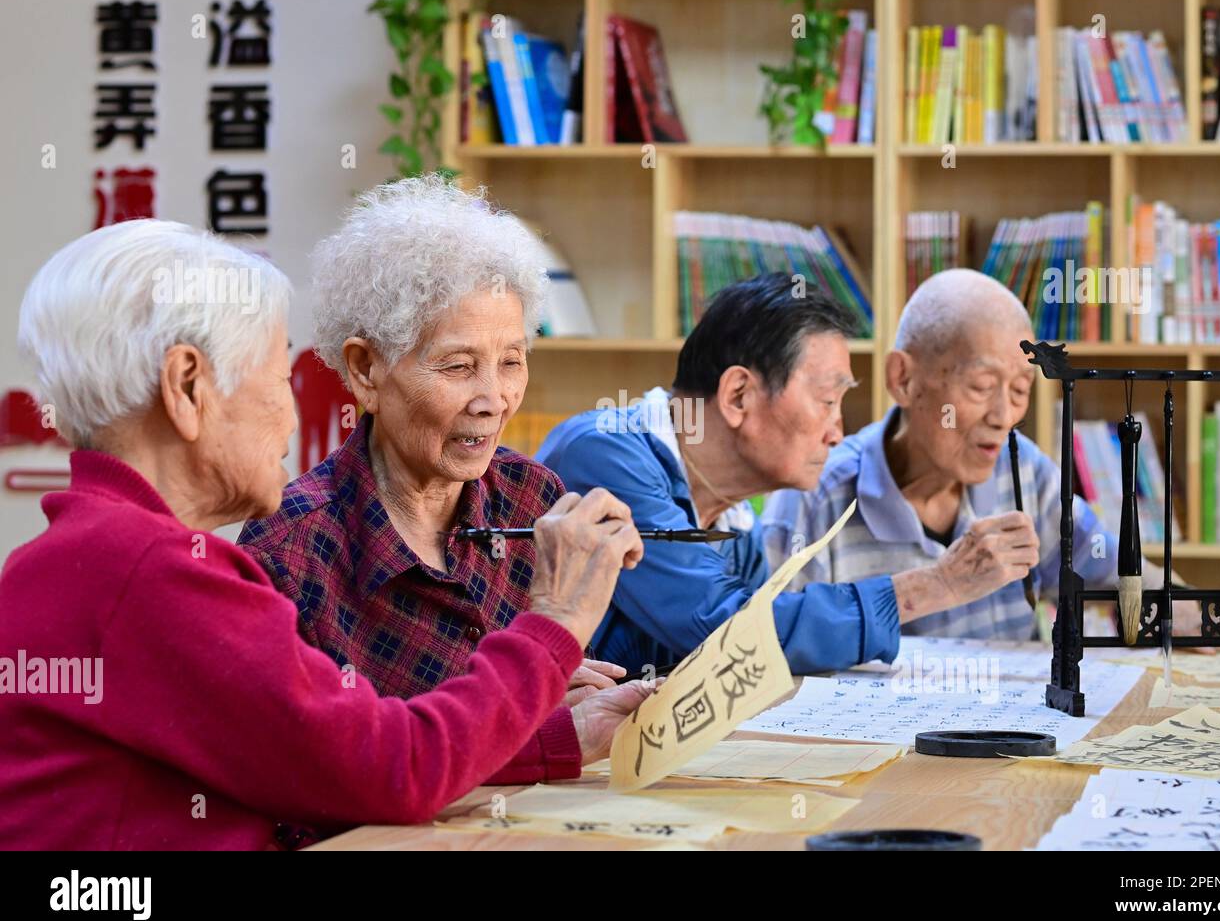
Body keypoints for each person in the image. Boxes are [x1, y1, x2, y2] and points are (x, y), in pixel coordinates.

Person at [0, 219, 651, 850]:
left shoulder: (86, 556)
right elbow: (392, 769)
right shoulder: (149, 572)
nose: (292, 417)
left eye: (511, 361)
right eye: (281, 380)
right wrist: (557, 620)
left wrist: (557, 733)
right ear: (187, 385)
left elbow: (334, 767)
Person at [240, 176, 624, 711]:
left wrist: (560, 684)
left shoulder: (534, 500)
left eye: (512, 362)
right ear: (366, 369)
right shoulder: (290, 552)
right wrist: (520, 714)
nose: (493, 399)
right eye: (459, 366)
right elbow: (308, 766)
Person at [537, 273, 1038, 675]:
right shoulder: (604, 455)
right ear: (738, 396)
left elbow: (761, 648)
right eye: (826, 401)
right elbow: (726, 632)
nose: (837, 432)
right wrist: (938, 585)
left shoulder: (734, 519)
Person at [764, 267, 1198, 640]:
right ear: (903, 379)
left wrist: (1170, 613)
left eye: (1020, 390)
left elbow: (1125, 576)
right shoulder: (814, 498)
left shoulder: (1024, 472)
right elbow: (772, 645)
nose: (1005, 416)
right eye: (981, 387)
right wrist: (935, 586)